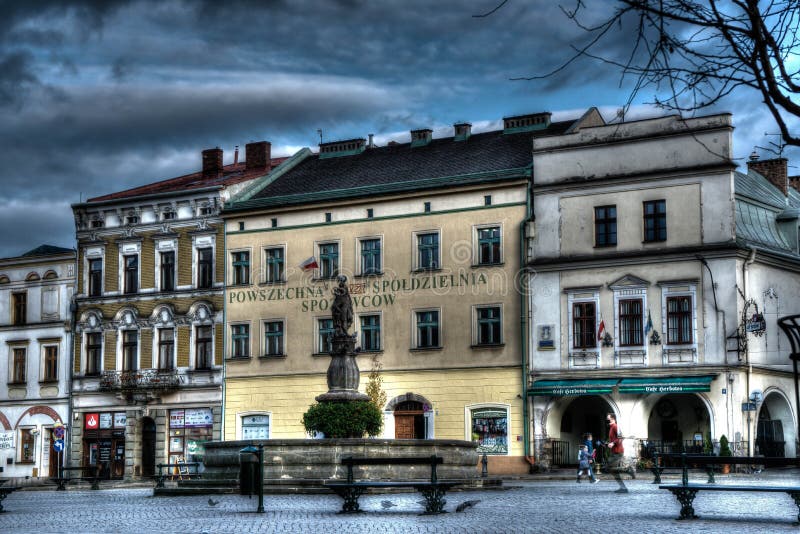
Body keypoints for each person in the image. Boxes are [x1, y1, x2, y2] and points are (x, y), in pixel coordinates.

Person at [606, 413, 628, 493]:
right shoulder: (612, 427)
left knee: (610, 468)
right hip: (614, 451)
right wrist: (610, 443)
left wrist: (613, 443)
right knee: (611, 469)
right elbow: (615, 438)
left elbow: (621, 437)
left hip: (618, 451)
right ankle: (623, 488)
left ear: (612, 418)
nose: (606, 418)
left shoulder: (615, 426)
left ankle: (628, 470)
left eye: (608, 417)